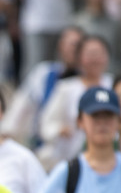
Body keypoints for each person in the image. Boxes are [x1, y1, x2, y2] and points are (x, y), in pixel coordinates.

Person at [39, 34, 113, 168]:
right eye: (90, 54)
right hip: (70, 156)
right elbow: (47, 122)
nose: (95, 59)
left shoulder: (114, 85)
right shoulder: (66, 88)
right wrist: (59, 130)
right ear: (79, 58)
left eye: (99, 53)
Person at [2, 25, 83, 147]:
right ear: (61, 45)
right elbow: (23, 103)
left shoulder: (93, 80)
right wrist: (7, 131)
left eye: (79, 46)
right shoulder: (44, 73)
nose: (74, 50)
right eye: (71, 45)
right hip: (44, 144)